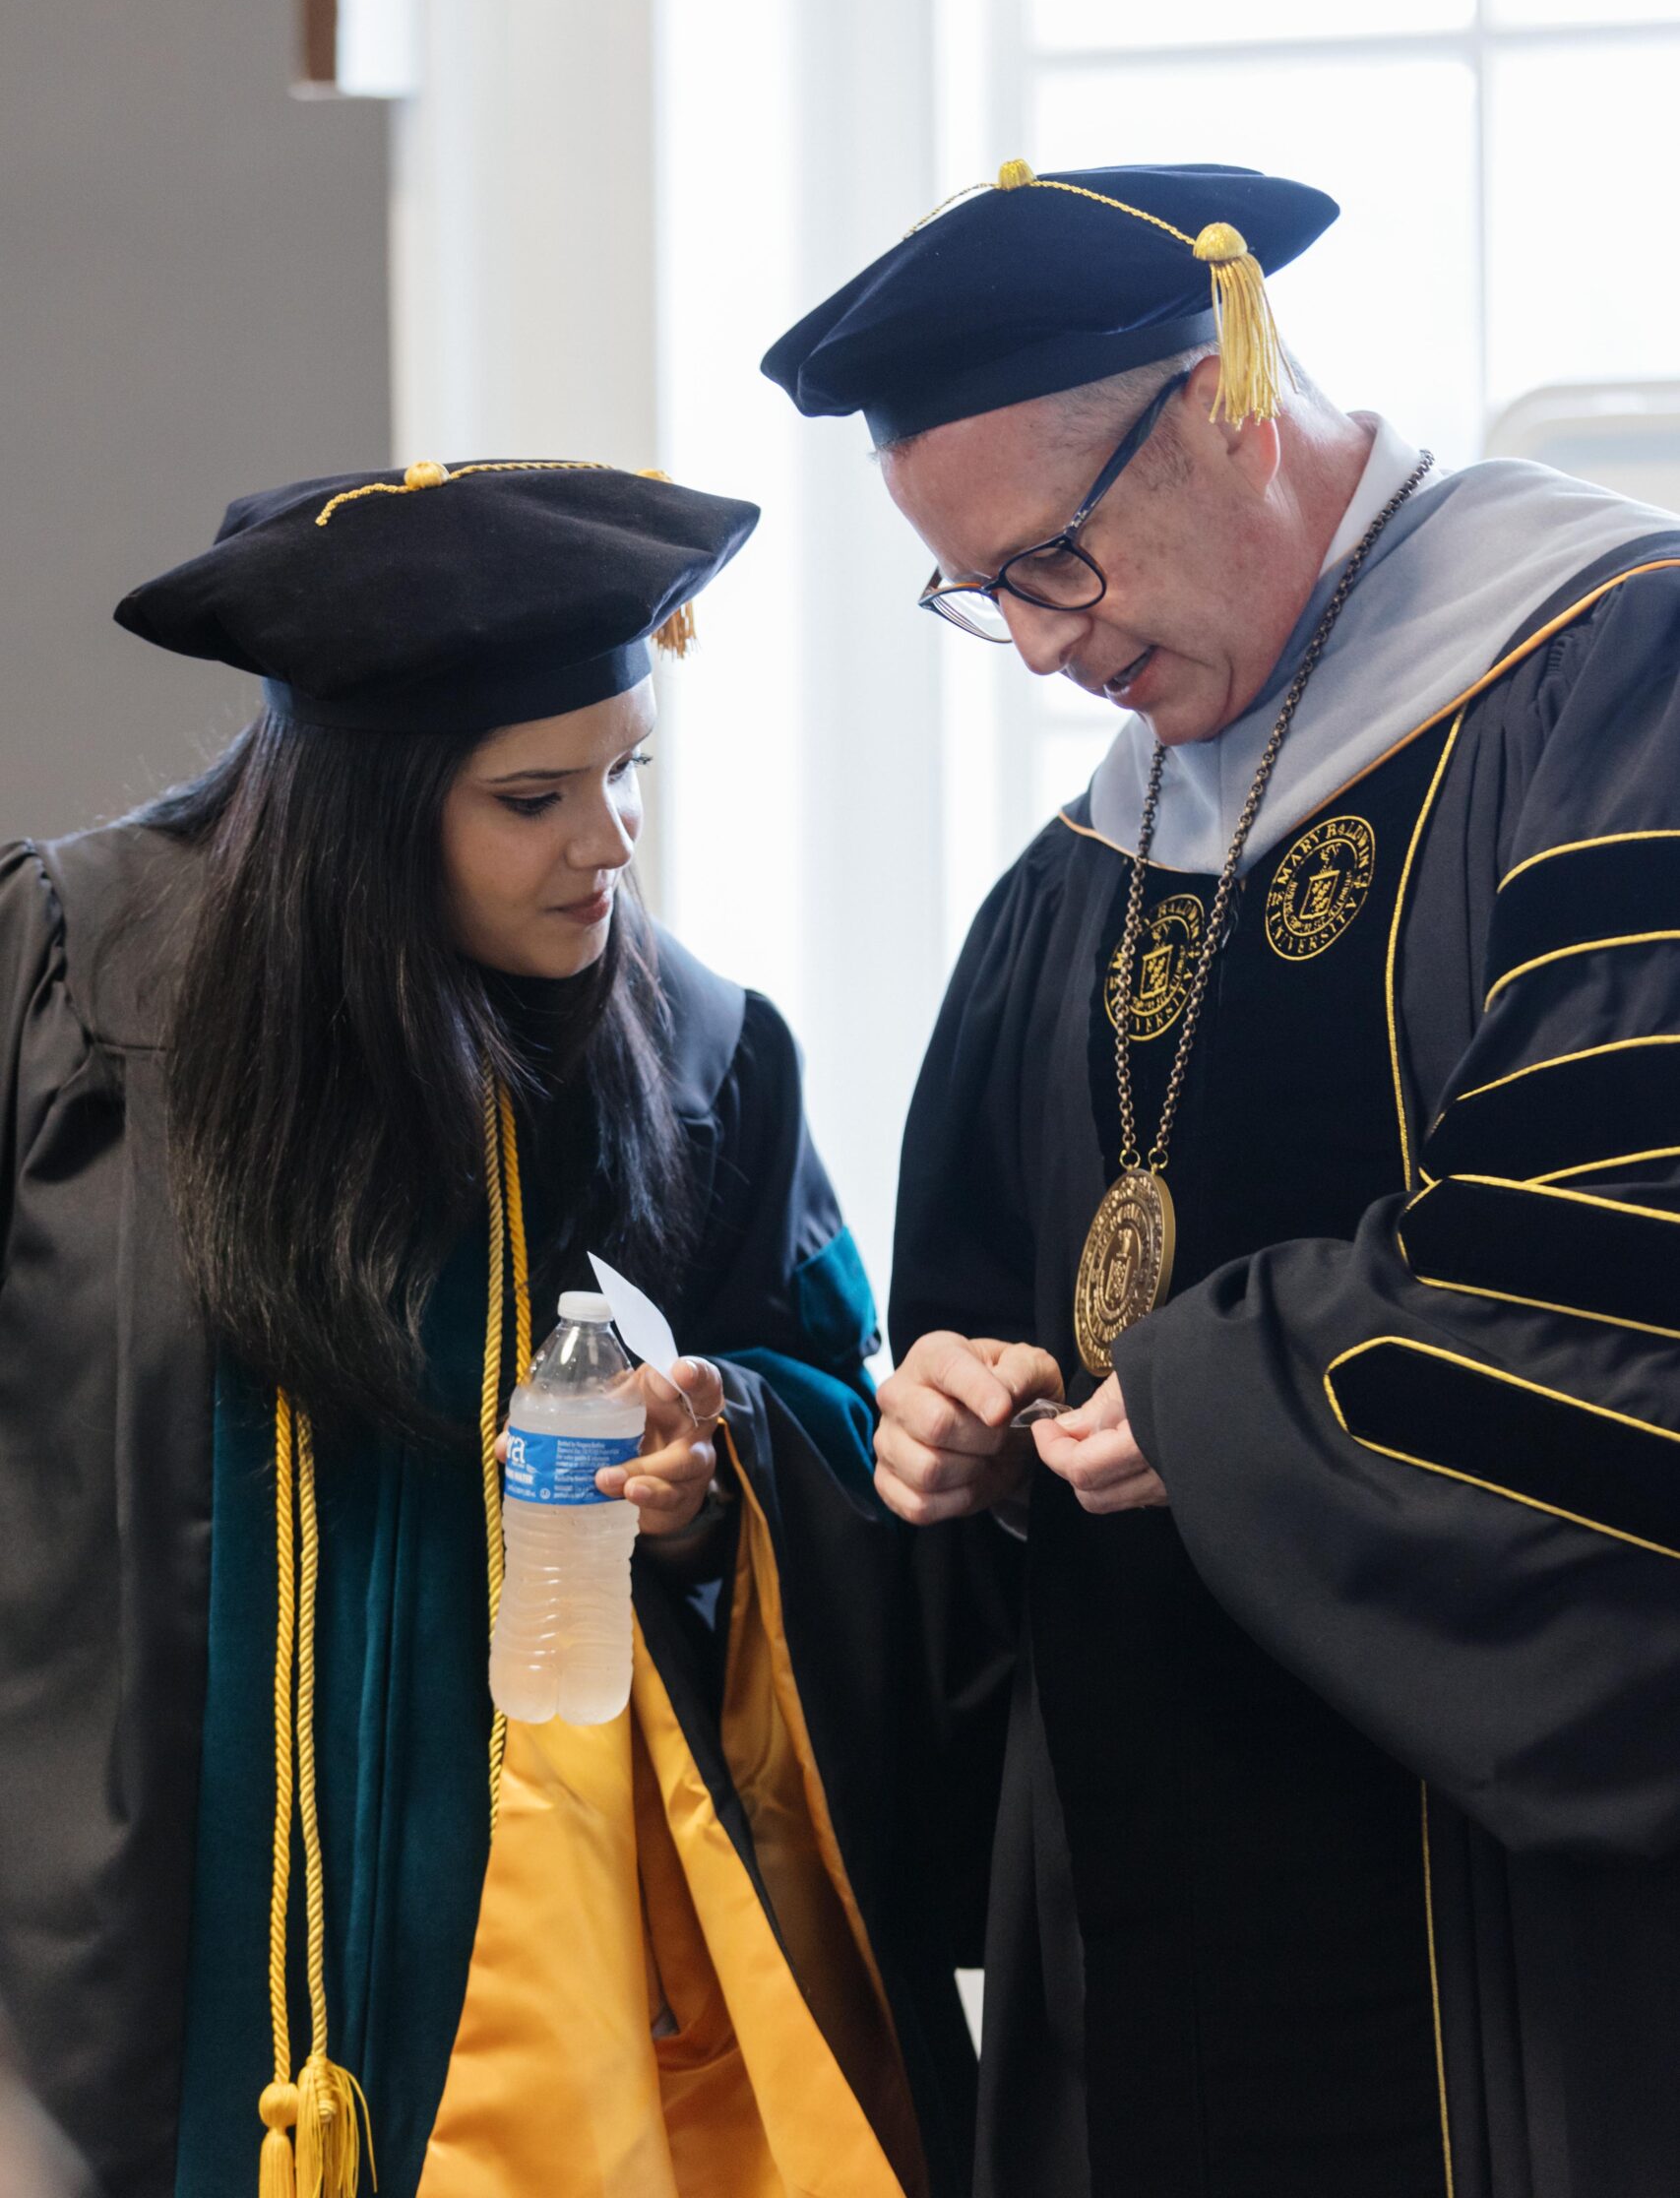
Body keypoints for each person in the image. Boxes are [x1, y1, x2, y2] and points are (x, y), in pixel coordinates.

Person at [764, 158, 1680, 2198]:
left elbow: (1613, 1294)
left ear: (1225, 406)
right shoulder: (1082, 873)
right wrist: (968, 1415)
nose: (1034, 649)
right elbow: (990, 1296)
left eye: (1051, 560)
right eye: (980, 591)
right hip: (1150, 1912)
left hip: (1511, 1938)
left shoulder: (1613, 683)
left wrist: (1208, 1393)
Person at [0, 457, 979, 2198]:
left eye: (628, 772)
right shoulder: (67, 986)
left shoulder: (698, 1055)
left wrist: (716, 1477)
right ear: (358, 808)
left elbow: (834, 1415)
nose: (607, 843)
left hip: (542, 2001)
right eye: (534, 796)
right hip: (90, 1980)